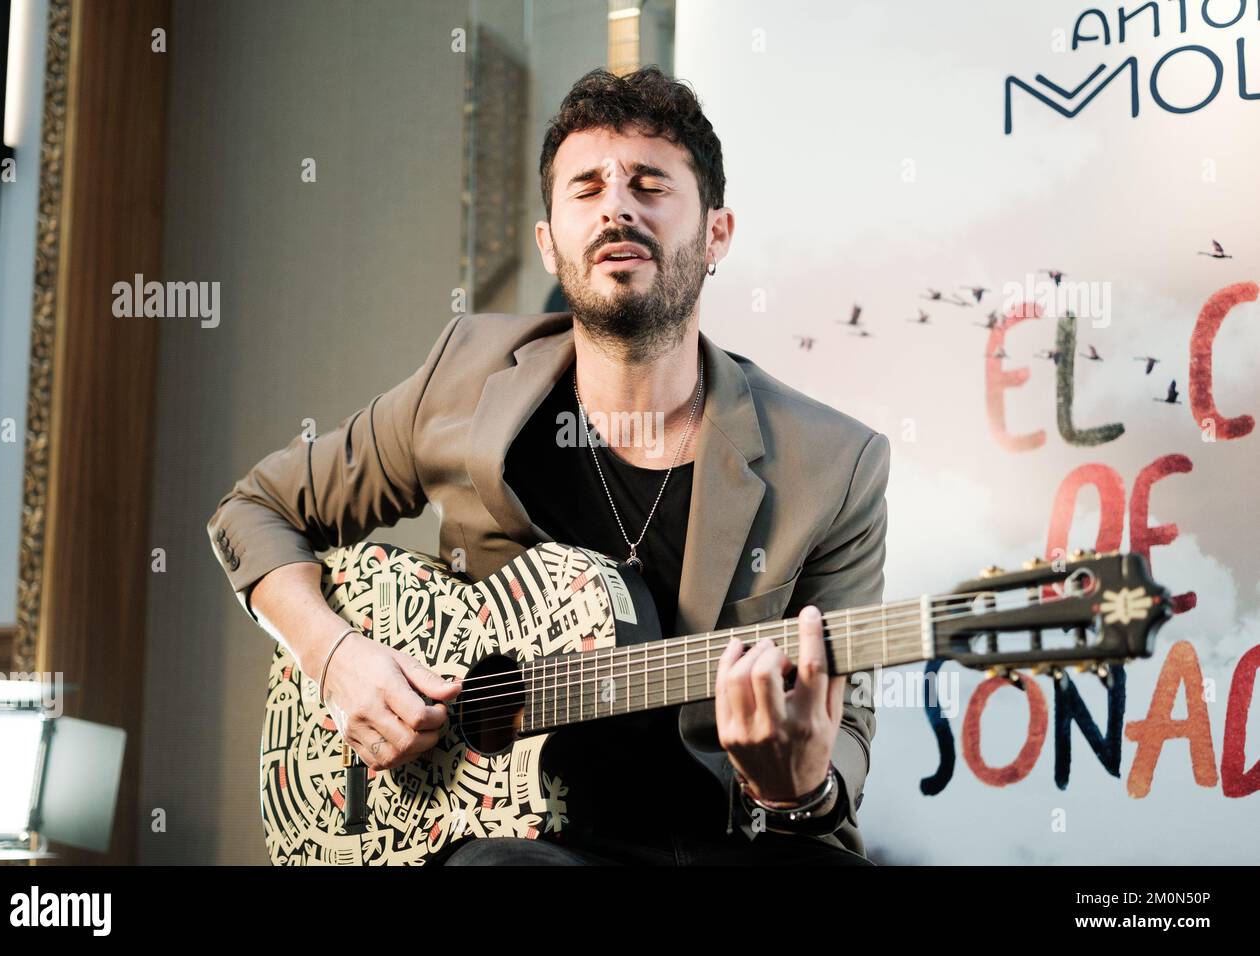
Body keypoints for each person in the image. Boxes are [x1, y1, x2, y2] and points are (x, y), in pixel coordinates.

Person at [208, 66, 889, 866]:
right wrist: (334, 656)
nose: (616, 206)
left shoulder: (834, 463)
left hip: (714, 838)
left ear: (716, 235)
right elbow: (252, 511)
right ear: (550, 241)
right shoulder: (463, 376)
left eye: (649, 183)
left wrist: (797, 786)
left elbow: (845, 732)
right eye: (586, 187)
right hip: (496, 834)